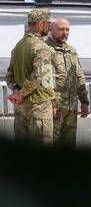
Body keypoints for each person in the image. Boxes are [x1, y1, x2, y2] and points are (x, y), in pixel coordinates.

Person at [5, 8, 55, 144]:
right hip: (38, 107)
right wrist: (21, 93)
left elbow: (9, 75)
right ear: (40, 24)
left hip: (21, 108)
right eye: (48, 24)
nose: (50, 28)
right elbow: (38, 76)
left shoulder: (18, 46)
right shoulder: (41, 47)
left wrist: (16, 91)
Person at [46, 17, 89, 146]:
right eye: (61, 29)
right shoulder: (46, 50)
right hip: (55, 107)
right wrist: (51, 103)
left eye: (67, 29)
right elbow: (45, 80)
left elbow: (79, 75)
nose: (65, 32)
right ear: (51, 29)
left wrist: (84, 101)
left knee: (69, 145)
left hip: (71, 106)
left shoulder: (72, 51)